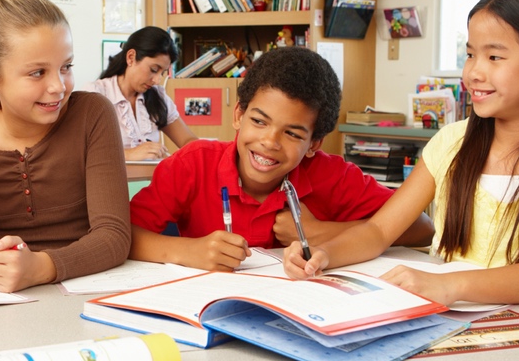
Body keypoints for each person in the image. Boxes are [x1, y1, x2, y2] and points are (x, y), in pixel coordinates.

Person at [284, 0, 519, 306]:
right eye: (471, 54)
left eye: (494, 57)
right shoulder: (451, 143)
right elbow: (379, 231)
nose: (473, 71)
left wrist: (450, 286)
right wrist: (324, 253)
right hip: (442, 318)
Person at [130, 47, 434, 271]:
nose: (269, 143)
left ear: (314, 143)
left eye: (292, 134)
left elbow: (421, 228)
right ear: (239, 115)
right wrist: (186, 251)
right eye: (259, 121)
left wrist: (320, 232)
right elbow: (120, 235)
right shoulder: (193, 164)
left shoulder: (331, 175)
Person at [0, 0, 131, 293]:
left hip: (88, 290)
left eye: (66, 67)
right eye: (37, 73)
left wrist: (42, 267)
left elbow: (114, 236)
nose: (58, 86)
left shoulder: (92, 114)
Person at [87, 26, 197, 160]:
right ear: (131, 57)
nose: (157, 80)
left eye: (162, 72)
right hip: (110, 180)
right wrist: (129, 154)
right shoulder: (95, 95)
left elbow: (188, 140)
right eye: (153, 69)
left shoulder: (157, 96)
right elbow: (78, 151)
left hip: (151, 179)